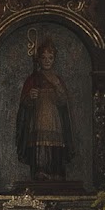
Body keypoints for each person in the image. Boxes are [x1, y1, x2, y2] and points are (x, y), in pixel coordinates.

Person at [14, 35, 74, 180]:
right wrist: (30, 97)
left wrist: (57, 86)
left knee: (55, 144)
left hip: (54, 120)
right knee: (39, 145)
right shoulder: (33, 79)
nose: (47, 61)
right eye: (44, 58)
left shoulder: (57, 79)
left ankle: (56, 171)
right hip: (38, 118)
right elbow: (24, 105)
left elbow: (63, 101)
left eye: (50, 58)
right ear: (39, 60)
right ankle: (40, 170)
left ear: (54, 60)